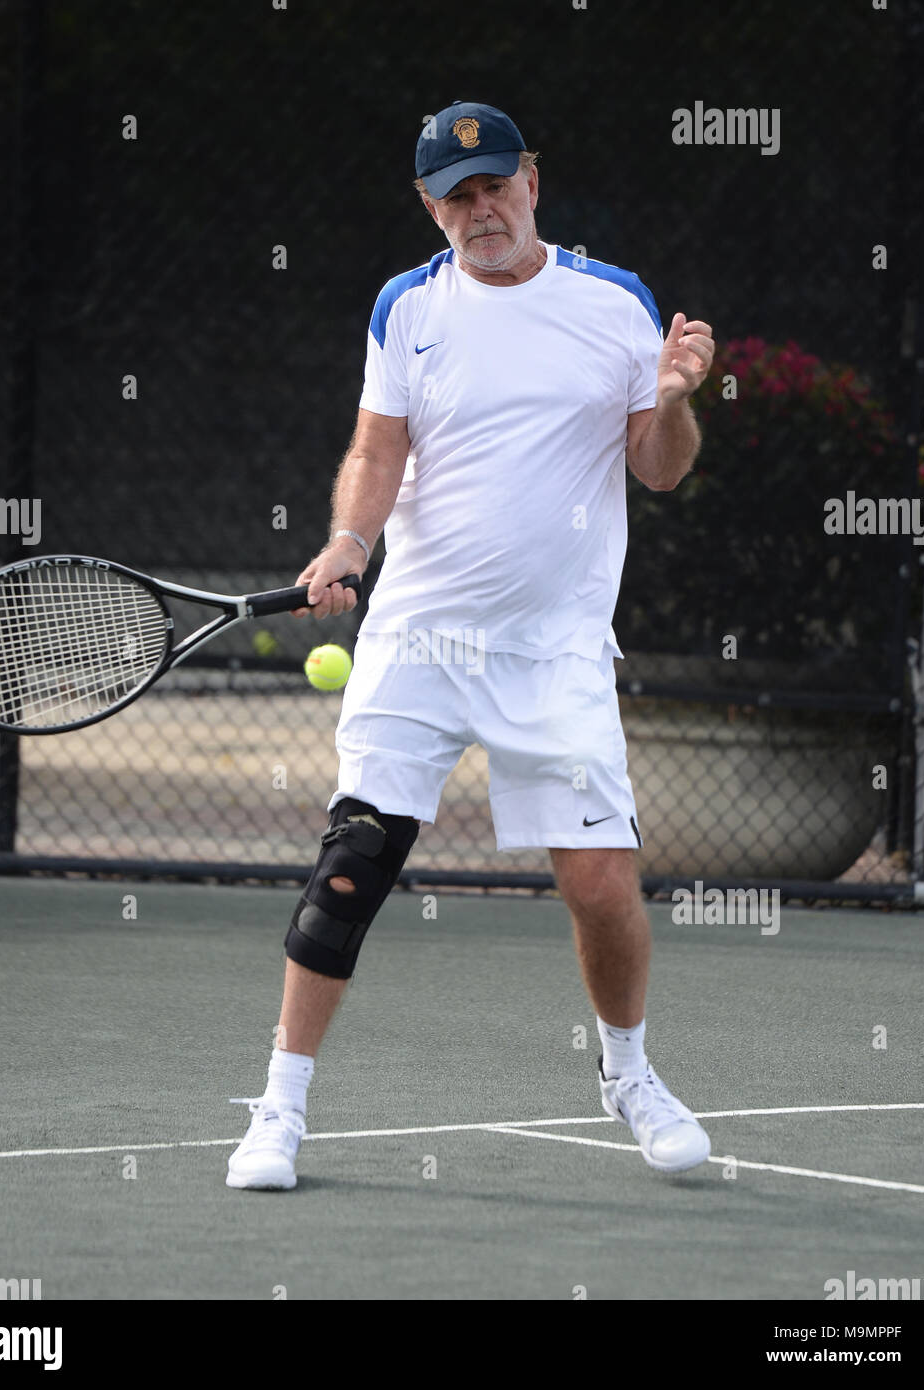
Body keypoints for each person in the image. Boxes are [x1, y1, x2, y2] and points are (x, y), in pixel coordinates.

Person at [227, 101, 715, 1191]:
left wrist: (676, 396)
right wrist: (348, 540)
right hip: (416, 640)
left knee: (598, 884)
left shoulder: (614, 303)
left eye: (494, 185)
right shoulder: (408, 307)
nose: (478, 209)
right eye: (456, 195)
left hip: (555, 652)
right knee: (353, 864)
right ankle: (280, 1107)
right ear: (427, 207)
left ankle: (626, 1073)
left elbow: (660, 467)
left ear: (531, 181)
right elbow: (375, 447)